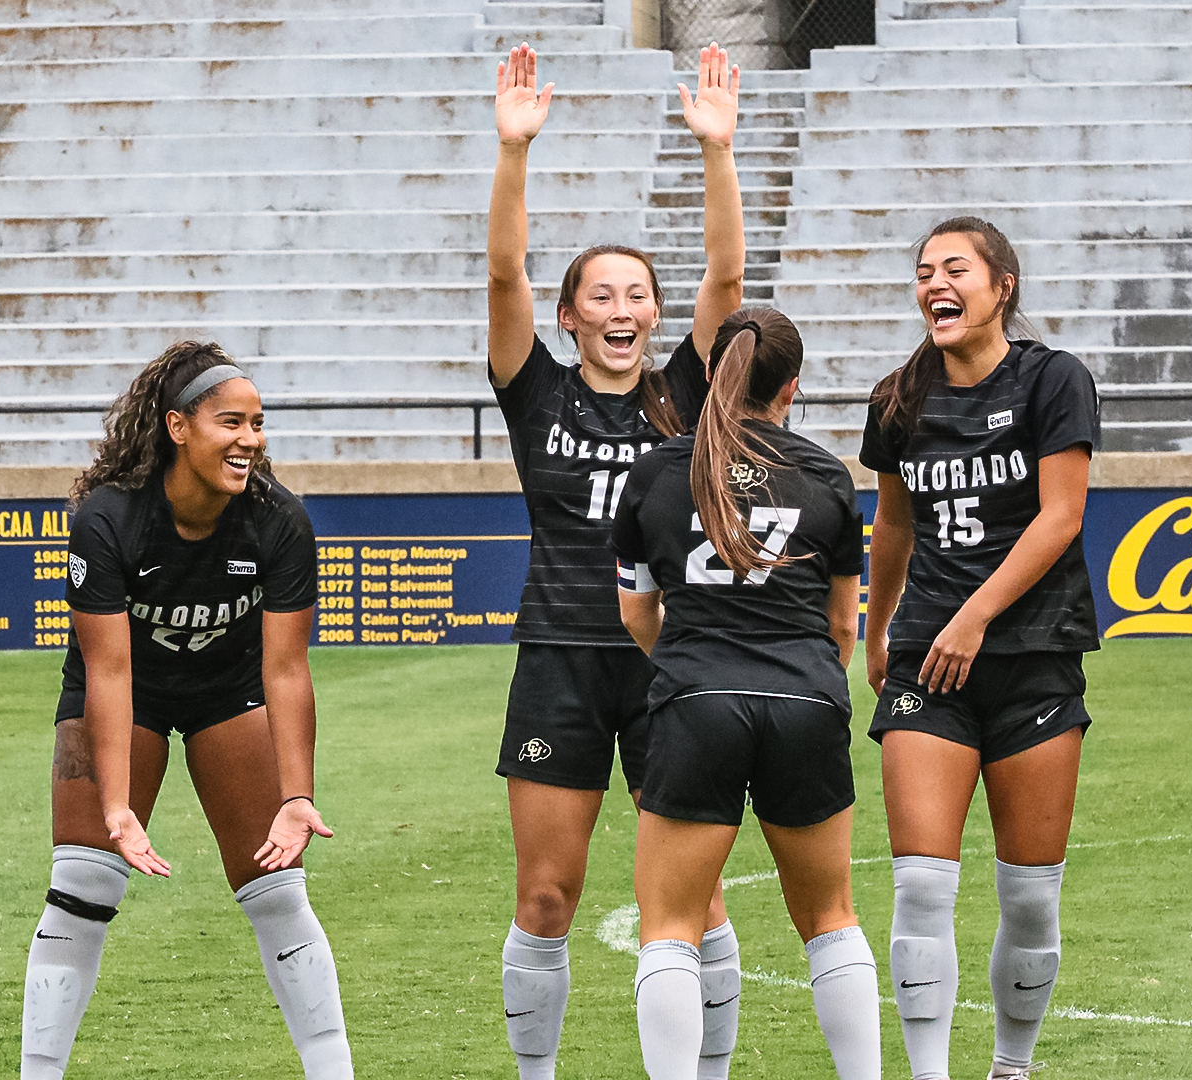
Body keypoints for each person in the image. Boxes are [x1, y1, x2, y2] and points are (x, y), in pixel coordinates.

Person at [484, 40, 749, 1080]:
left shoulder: (688, 386)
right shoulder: (535, 391)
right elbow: (504, 270)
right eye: (603, 297)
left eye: (639, 295)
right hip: (560, 656)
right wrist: (514, 155)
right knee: (546, 896)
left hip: (674, 664)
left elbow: (727, 276)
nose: (625, 312)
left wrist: (716, 154)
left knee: (692, 896)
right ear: (570, 316)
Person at [17, 341, 351, 1080]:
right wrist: (115, 806)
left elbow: (287, 671)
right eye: (231, 422)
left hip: (226, 690)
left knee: (278, 891)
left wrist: (298, 796)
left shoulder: (279, 520)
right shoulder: (108, 519)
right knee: (83, 887)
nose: (249, 440)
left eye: (258, 424)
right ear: (177, 427)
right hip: (124, 690)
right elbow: (108, 671)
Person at [859, 217, 1101, 1080]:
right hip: (928, 658)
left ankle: (1010, 1068)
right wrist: (875, 625)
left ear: (1003, 286)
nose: (935, 285)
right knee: (922, 885)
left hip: (1033, 655)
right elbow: (891, 524)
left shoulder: (1054, 379)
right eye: (924, 272)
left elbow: (1061, 516)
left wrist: (976, 617)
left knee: (1030, 902)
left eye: (954, 269)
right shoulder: (897, 397)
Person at [611, 307, 878, 1080]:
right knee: (831, 920)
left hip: (696, 699)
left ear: (711, 370)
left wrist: (694, 664)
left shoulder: (659, 470)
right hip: (807, 699)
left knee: (668, 929)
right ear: (791, 386)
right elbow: (841, 628)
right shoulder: (826, 474)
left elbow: (635, 610)